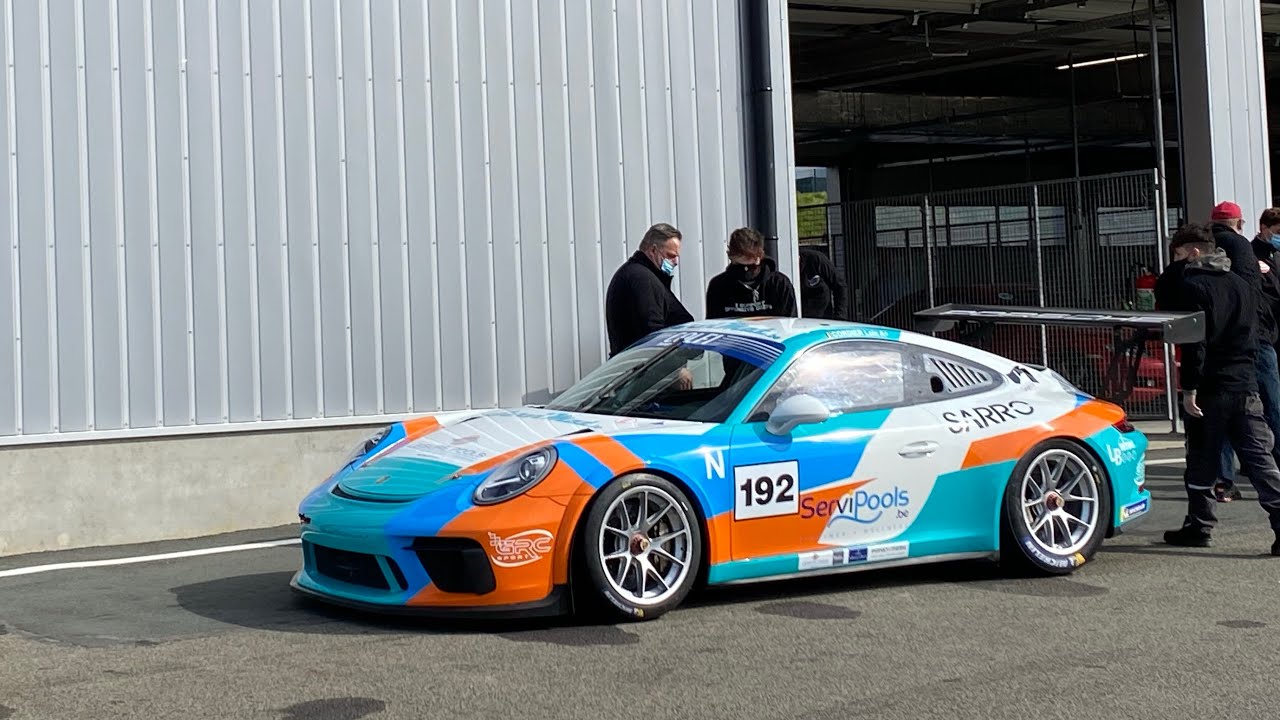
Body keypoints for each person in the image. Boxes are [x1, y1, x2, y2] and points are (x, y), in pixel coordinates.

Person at [1158, 223, 1280, 555]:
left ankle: (1200, 525)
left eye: (1180, 254)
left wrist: (1189, 388)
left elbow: (1195, 343)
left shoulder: (1193, 287)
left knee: (1201, 457)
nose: (1178, 261)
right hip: (1244, 384)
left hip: (1211, 387)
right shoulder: (1242, 285)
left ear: (1194, 252)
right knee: (1260, 460)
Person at [1208, 202, 1280, 502]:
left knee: (1222, 415)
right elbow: (1260, 298)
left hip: (1219, 344)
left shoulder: (1205, 251)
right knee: (1266, 409)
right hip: (1255, 341)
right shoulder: (1245, 251)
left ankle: (1223, 480)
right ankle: (1270, 475)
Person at [604, 223, 695, 358]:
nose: (675, 262)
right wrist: (674, 367)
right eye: (671, 255)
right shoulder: (642, 280)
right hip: (650, 371)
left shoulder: (638, 274)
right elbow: (652, 333)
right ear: (653, 250)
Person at [705, 227, 798, 319]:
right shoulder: (719, 286)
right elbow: (714, 325)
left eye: (751, 266)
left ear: (760, 257)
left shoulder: (779, 284)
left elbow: (789, 324)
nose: (745, 271)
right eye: (739, 265)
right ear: (731, 258)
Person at [798, 246, 848, 320]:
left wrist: (840, 316)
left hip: (823, 318)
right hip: (799, 320)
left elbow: (840, 286)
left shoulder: (816, 259)